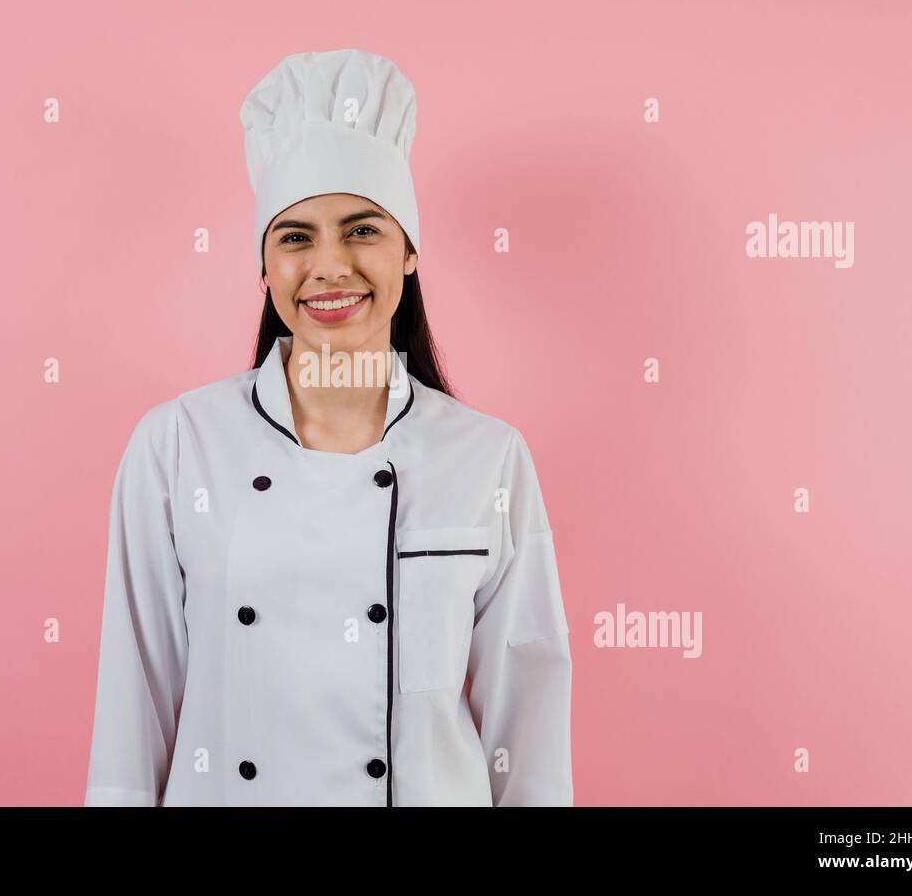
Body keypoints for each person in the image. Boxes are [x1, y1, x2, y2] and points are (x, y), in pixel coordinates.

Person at [84, 48, 572, 806]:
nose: (331, 267)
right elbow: (132, 706)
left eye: (363, 230)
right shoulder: (177, 447)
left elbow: (529, 727)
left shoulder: (488, 460)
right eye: (296, 237)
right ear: (264, 267)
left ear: (409, 251)